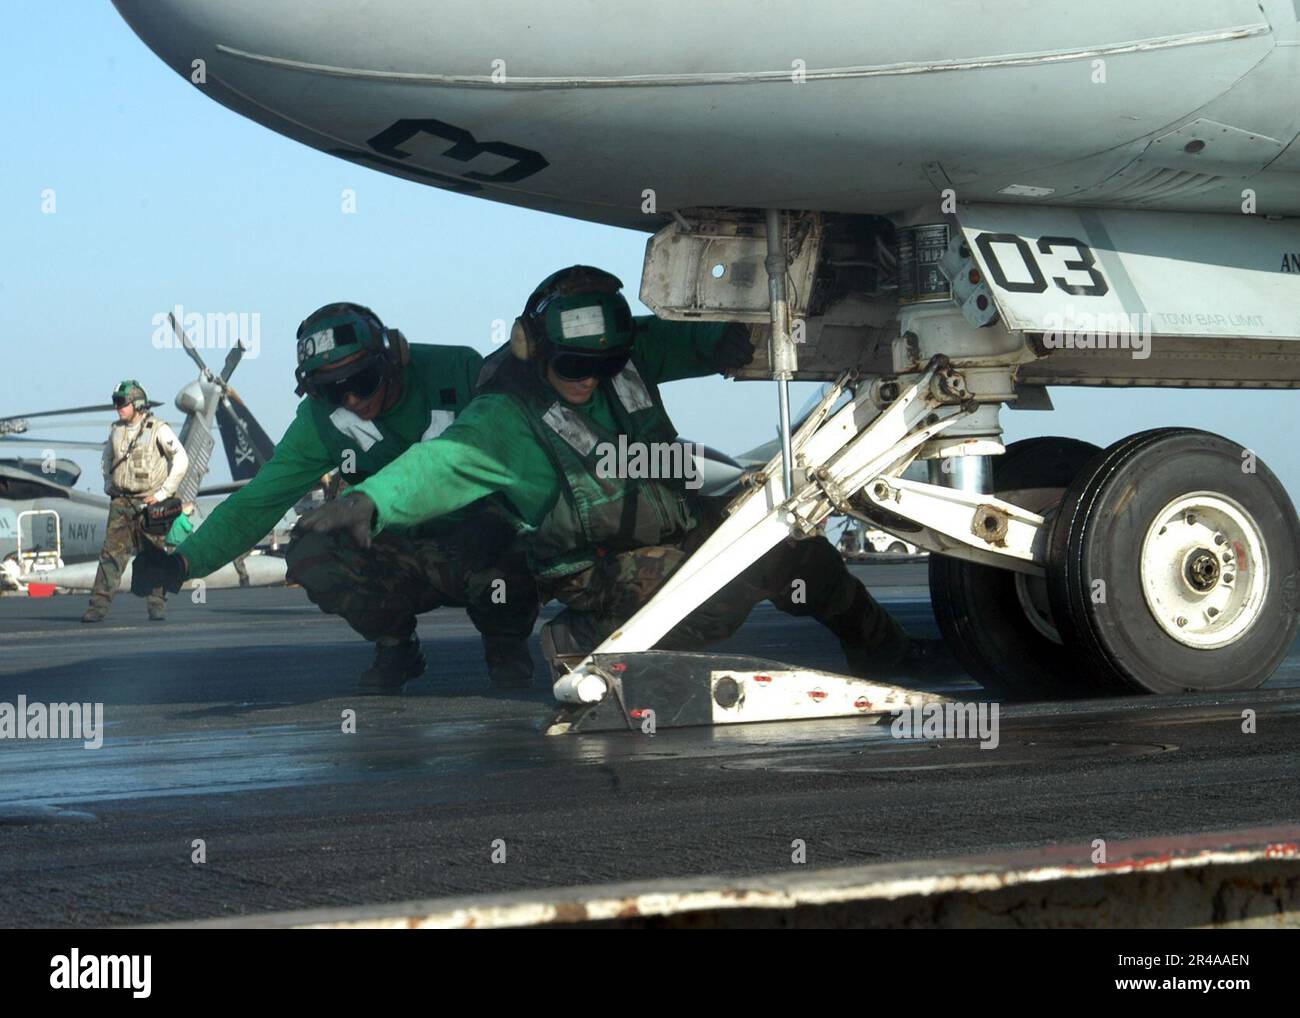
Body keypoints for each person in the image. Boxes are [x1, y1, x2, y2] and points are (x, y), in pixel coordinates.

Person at [294, 267, 914, 677]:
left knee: (794, 551)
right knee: (721, 593)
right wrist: (372, 499)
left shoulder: (624, 354)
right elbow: (442, 460)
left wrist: (738, 333)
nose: (590, 378)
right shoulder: (505, 413)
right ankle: (582, 639)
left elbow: (693, 338)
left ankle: (884, 648)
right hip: (591, 565)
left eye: (604, 364)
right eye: (572, 366)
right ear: (534, 351)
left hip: (672, 523)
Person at [131, 302, 539, 693]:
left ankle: (506, 644)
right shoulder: (321, 423)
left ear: (393, 358)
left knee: (501, 538)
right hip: (400, 550)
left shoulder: (460, 370)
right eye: (331, 391)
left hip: (476, 541)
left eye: (361, 382)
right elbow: (257, 502)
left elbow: (522, 455)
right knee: (313, 551)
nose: (352, 401)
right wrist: (183, 562)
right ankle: (396, 646)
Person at [82, 380, 189, 623]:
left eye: (122, 402)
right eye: (116, 401)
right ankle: (97, 607)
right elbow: (107, 458)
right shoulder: (116, 430)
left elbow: (181, 460)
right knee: (110, 556)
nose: (117, 407)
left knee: (155, 556)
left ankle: (157, 606)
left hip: (151, 504)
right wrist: (109, 483)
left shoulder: (158, 429)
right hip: (121, 502)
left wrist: (162, 494)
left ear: (137, 404)